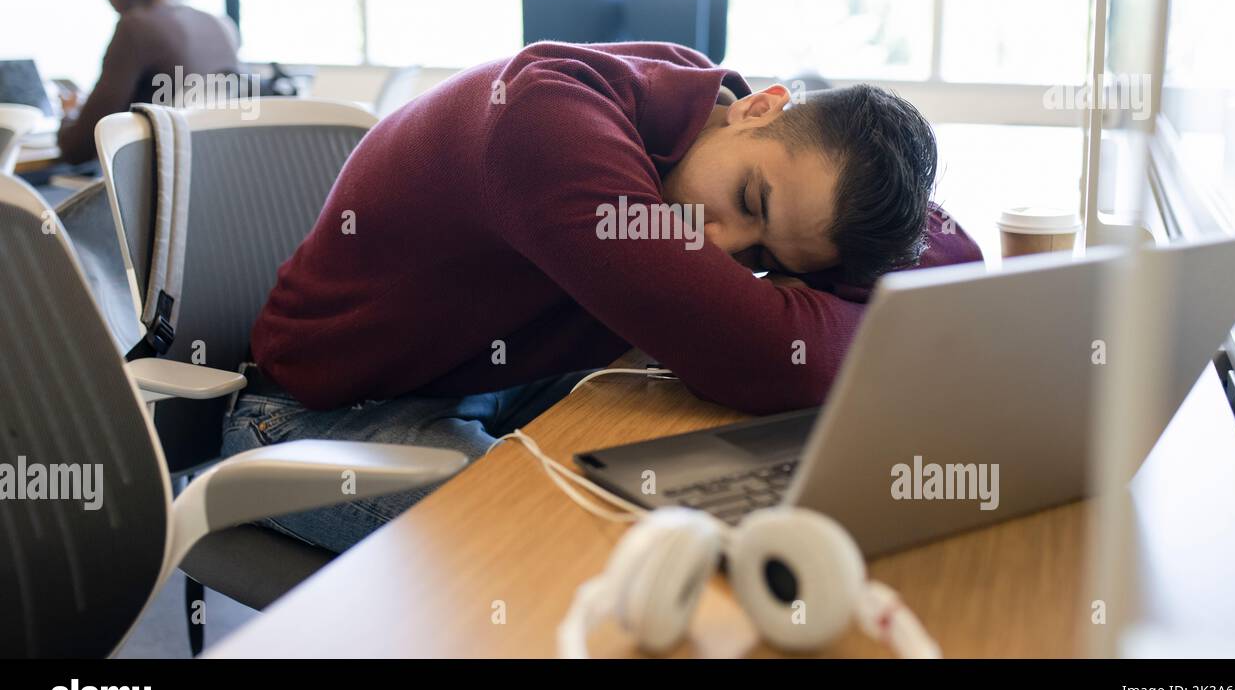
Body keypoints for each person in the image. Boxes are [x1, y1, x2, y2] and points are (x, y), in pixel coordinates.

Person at [223, 41, 983, 552]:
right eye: (749, 200)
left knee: (701, 496)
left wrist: (812, 283)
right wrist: (810, 307)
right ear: (760, 105)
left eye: (762, 260)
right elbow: (772, 355)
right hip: (312, 422)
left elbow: (952, 263)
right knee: (591, 551)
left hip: (491, 384)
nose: (717, 247)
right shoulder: (544, 124)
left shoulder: (700, 103)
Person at [55, 0, 239, 165]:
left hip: (151, 200)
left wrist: (69, 114)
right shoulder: (222, 26)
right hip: (210, 191)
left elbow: (77, 149)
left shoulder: (136, 30)